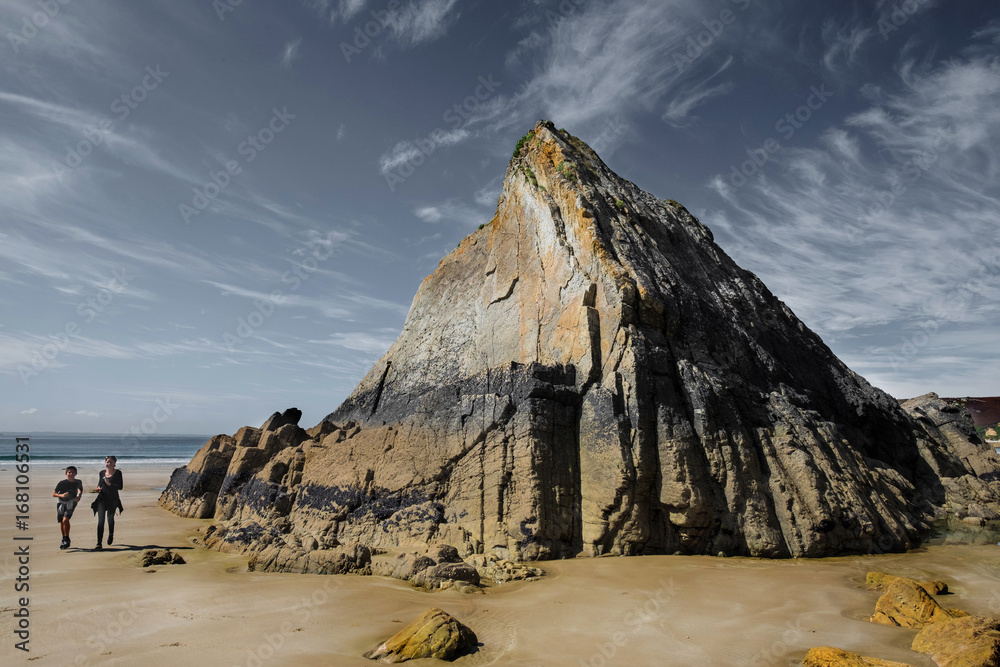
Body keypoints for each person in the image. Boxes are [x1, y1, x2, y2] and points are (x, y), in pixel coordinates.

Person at [91, 455, 123, 550]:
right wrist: (98, 488)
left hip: (113, 499)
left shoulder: (118, 473)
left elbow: (120, 486)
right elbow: (100, 484)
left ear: (114, 463)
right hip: (101, 499)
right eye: (107, 462)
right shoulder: (101, 473)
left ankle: (110, 534)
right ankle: (99, 543)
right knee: (101, 521)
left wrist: (110, 484)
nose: (108, 463)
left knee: (110, 519)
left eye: (110, 462)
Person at [53, 466, 83, 549]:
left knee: (65, 519)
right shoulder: (62, 483)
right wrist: (61, 495)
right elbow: (54, 494)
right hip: (61, 503)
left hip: (71, 502)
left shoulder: (78, 482)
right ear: (66, 473)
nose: (71, 474)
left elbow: (80, 490)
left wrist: (79, 497)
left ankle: (66, 538)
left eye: (73, 472)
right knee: (62, 522)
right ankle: (64, 539)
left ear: (76, 473)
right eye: (69, 472)